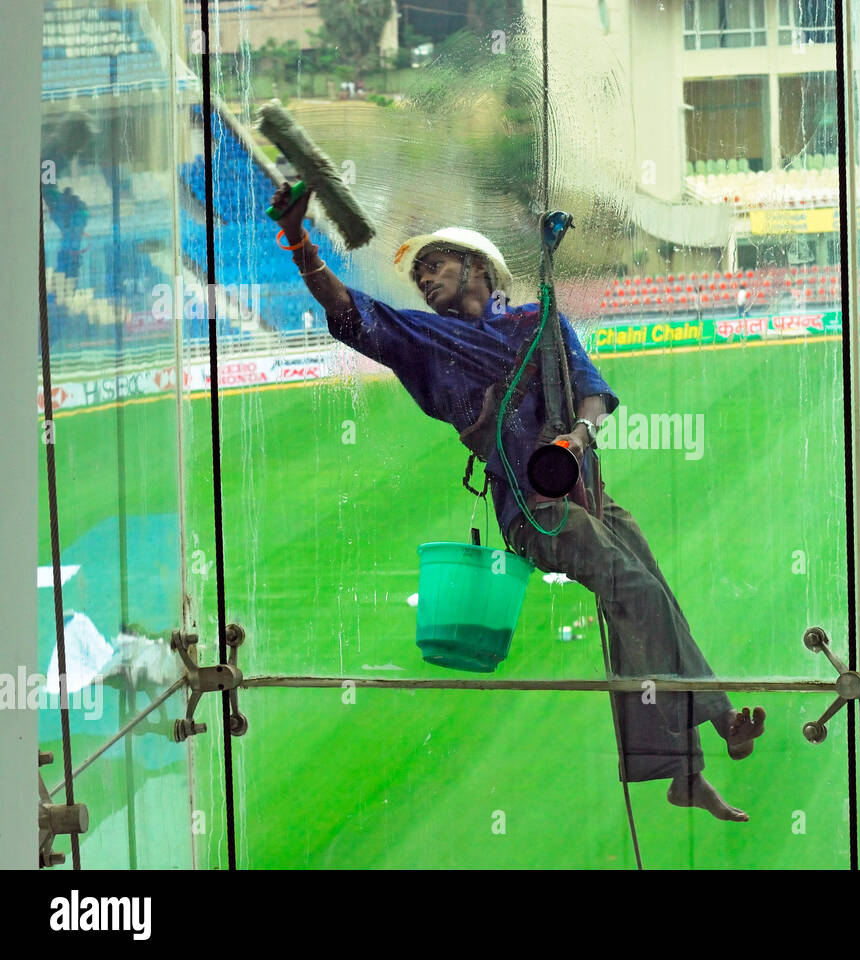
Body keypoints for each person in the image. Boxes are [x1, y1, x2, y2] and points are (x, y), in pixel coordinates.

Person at [268, 182, 766, 822]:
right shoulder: (425, 340)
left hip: (587, 486)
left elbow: (593, 393)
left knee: (648, 596)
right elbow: (346, 310)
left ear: (477, 267)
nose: (424, 278)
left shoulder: (540, 321)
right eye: (419, 273)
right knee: (635, 593)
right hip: (533, 506)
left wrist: (576, 436)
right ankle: (719, 720)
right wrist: (300, 241)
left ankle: (680, 773)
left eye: (436, 264)